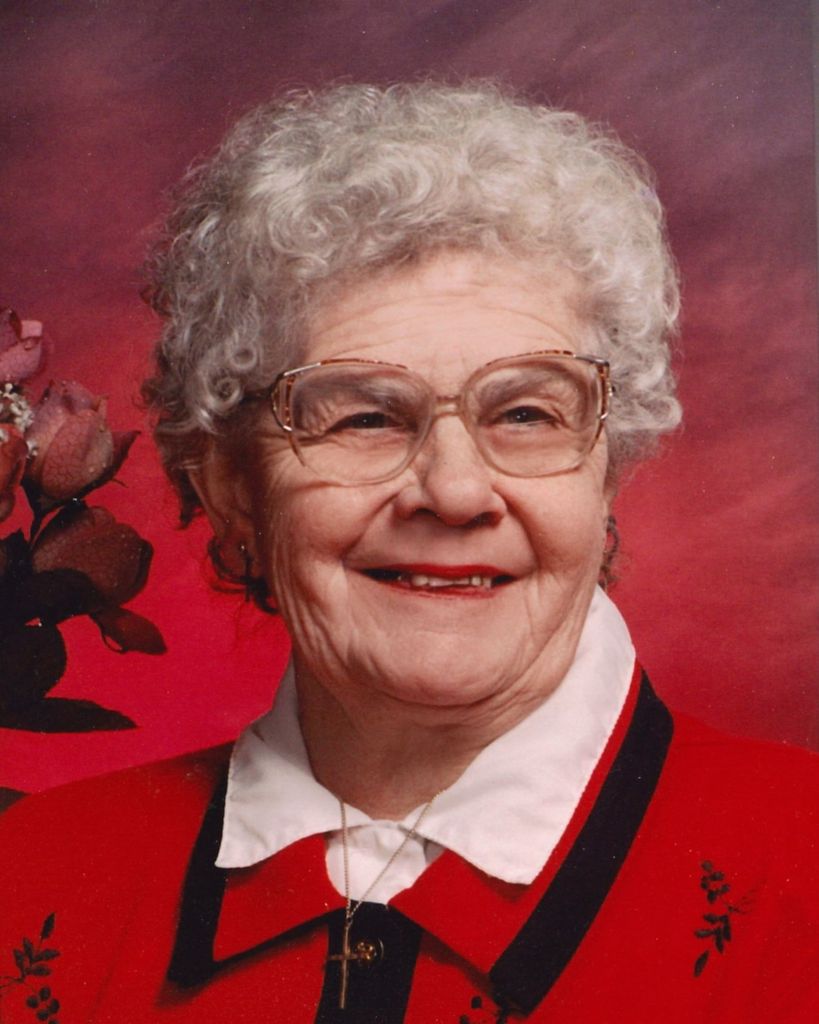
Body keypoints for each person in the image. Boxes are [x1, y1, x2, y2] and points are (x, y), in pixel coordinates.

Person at [0, 82, 816, 1024]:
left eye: (526, 412)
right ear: (230, 486)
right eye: (363, 417)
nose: (456, 492)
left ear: (605, 468)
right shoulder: (31, 877)